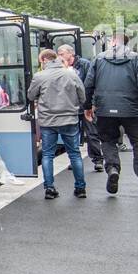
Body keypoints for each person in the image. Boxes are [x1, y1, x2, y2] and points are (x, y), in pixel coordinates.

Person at [83, 33, 138, 196]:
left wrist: (87, 106)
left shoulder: (99, 59)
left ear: (112, 42)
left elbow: (88, 84)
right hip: (131, 109)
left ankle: (112, 168)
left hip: (104, 109)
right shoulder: (136, 59)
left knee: (107, 140)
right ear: (127, 43)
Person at [27, 48, 87, 199]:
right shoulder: (71, 74)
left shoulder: (39, 76)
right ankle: (80, 188)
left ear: (43, 60)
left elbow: (30, 95)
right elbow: (82, 96)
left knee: (47, 154)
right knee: (74, 154)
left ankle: (49, 188)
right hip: (69, 119)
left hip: (48, 121)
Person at [58, 45, 102, 172]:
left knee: (91, 133)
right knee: (72, 135)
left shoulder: (85, 64)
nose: (59, 56)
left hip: (85, 104)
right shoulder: (60, 66)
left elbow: (91, 84)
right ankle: (74, 160)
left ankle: (97, 159)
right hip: (70, 107)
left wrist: (92, 103)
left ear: (71, 54)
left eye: (62, 53)